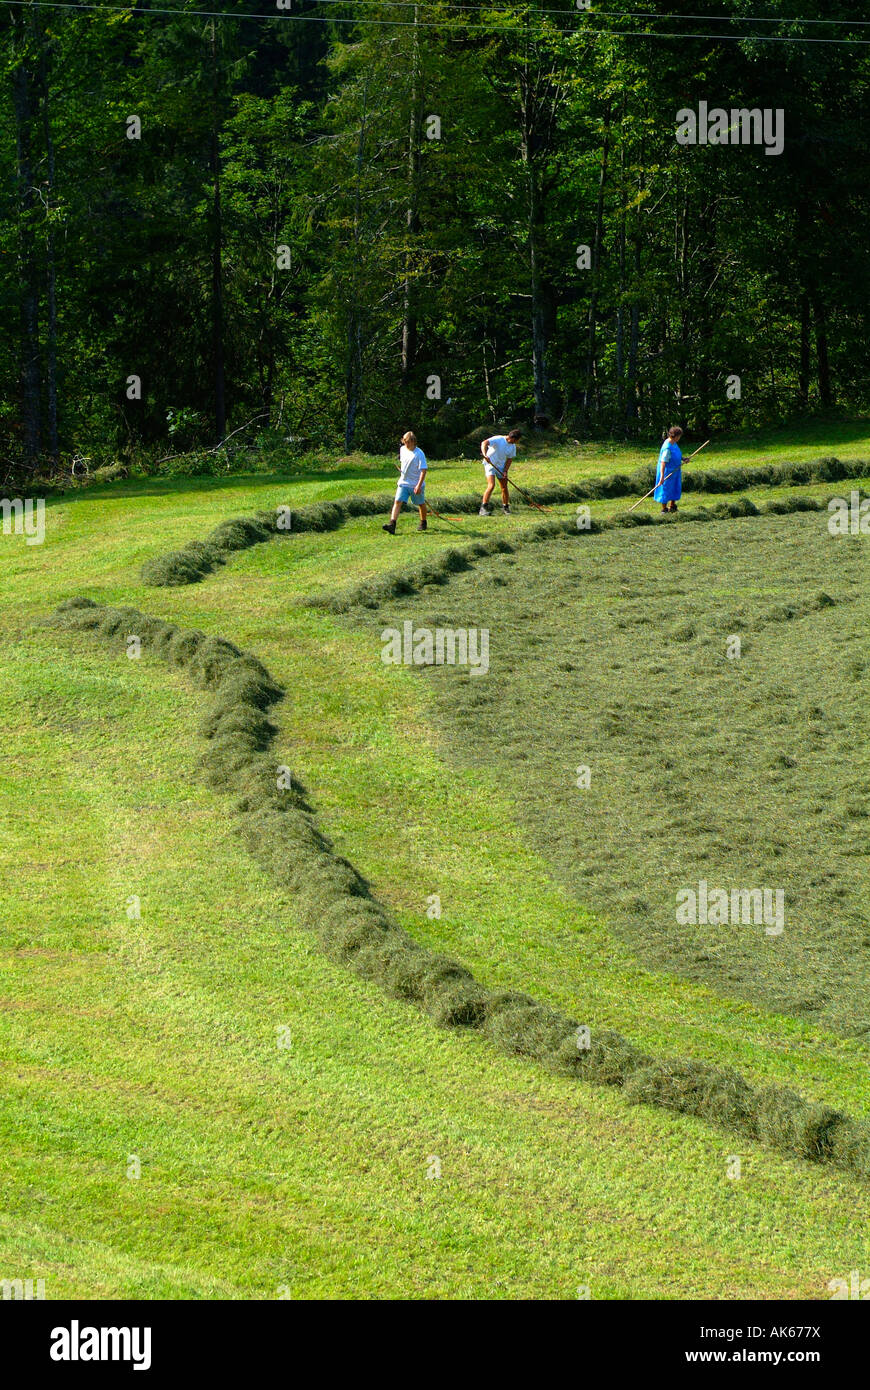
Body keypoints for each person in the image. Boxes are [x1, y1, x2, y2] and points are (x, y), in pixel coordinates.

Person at [383, 430, 428, 534]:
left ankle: (423, 522)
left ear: (413, 441)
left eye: (408, 442)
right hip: (403, 483)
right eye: (405, 441)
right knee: (397, 501)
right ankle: (392, 525)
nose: (406, 444)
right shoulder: (402, 449)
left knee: (420, 503)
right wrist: (402, 470)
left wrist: (419, 485)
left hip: (415, 485)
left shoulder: (419, 453)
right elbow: (404, 463)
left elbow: (423, 471)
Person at [479, 429, 522, 516]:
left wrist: (505, 471)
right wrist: (485, 455)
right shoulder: (498, 439)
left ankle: (506, 507)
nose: (517, 442)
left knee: (504, 487)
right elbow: (484, 443)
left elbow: (509, 460)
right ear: (513, 438)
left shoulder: (512, 446)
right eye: (517, 440)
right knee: (491, 485)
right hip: (490, 464)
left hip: (501, 467)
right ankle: (483, 509)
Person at [654, 426, 683, 513]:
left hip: (675, 470)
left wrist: (683, 459)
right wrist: (662, 477)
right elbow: (663, 462)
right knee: (665, 489)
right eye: (679, 436)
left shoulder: (674, 443)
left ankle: (672, 506)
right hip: (667, 471)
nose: (679, 438)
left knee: (674, 487)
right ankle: (664, 509)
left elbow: (676, 454)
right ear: (676, 436)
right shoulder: (667, 447)